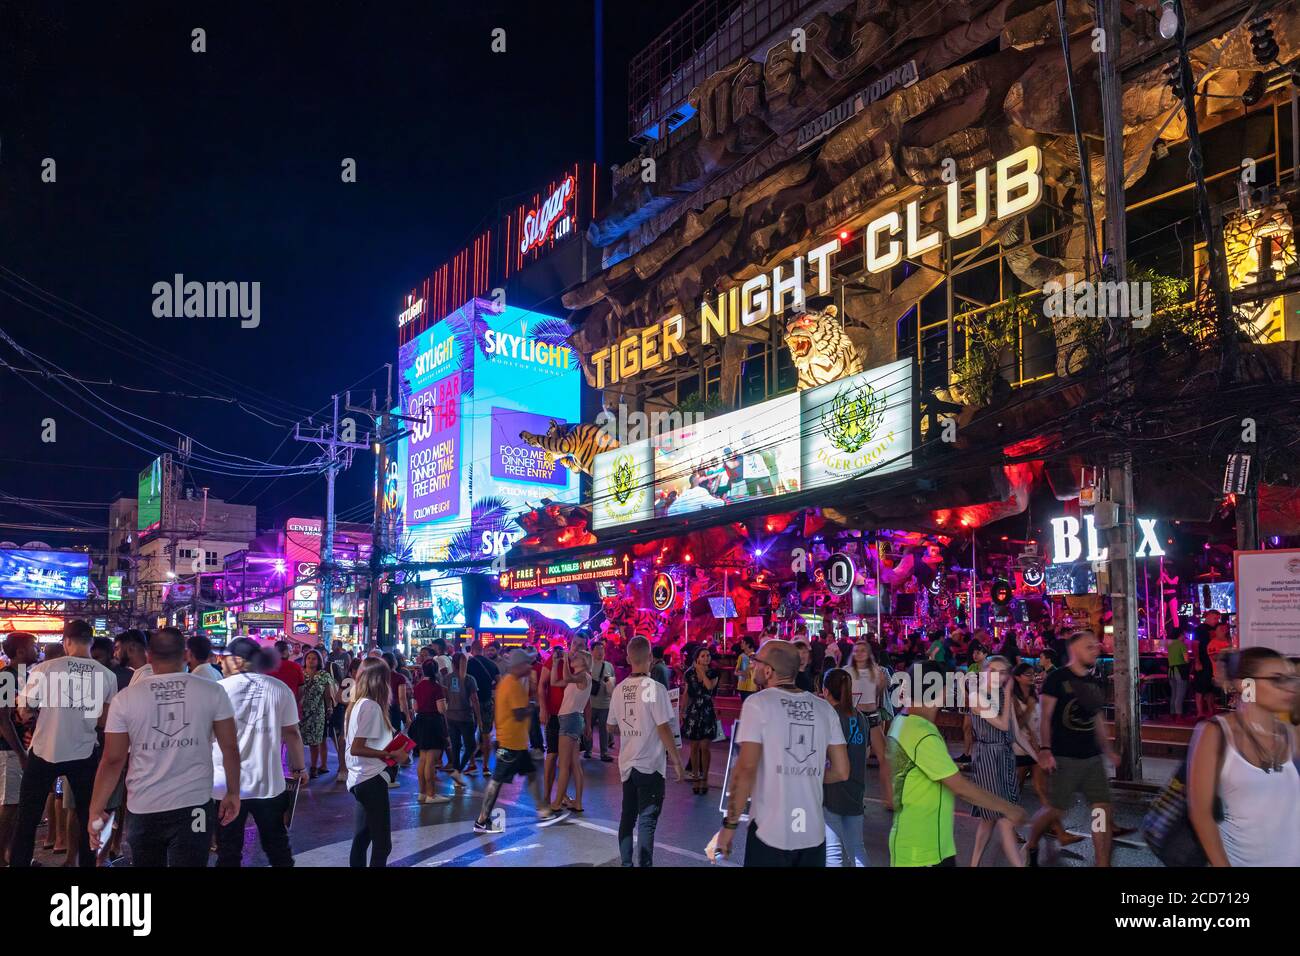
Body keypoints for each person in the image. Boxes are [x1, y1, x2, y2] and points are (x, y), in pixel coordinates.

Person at [87, 627, 240, 867]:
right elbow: (230, 747)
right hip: (194, 805)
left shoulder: (125, 699)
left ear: (149, 656)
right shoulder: (213, 692)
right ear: (185, 655)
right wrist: (233, 792)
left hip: (144, 806)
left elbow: (113, 760)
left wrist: (96, 808)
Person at [711, 640, 848, 866]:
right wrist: (804, 773)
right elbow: (842, 771)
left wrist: (729, 826)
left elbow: (745, 769)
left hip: (770, 832)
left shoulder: (758, 703)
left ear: (768, 670)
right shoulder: (825, 709)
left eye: (756, 660)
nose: (753, 664)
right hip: (812, 833)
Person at [886, 659, 1027, 866]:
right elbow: (960, 787)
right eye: (949, 686)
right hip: (922, 851)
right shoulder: (922, 734)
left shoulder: (903, 721)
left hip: (928, 844)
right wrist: (1008, 808)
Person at [9, 620, 119, 868]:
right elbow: (104, 719)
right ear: (91, 642)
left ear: (66, 641)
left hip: (44, 751)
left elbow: (24, 710)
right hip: (84, 753)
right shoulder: (107, 676)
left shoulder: (44, 669)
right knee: (87, 818)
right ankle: (87, 865)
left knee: (27, 819)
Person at [1187, 646, 1300, 866]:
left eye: (1291, 679)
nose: (1289, 688)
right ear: (1245, 684)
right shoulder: (1216, 733)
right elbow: (1201, 814)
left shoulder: (1291, 734)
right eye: (1277, 680)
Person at [1023, 630, 1117, 867]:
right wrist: (1045, 749)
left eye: (1096, 646)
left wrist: (1107, 750)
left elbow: (1096, 718)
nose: (1095, 650)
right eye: (1089, 647)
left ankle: (1102, 863)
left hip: (1092, 757)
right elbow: (1045, 717)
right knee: (1055, 810)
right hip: (1064, 758)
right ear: (1074, 650)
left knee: (1101, 810)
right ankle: (1032, 843)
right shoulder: (1057, 680)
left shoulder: (1093, 680)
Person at [213, 637, 305, 867]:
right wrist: (299, 768)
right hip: (268, 784)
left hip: (224, 785)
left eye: (224, 658)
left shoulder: (218, 690)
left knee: (228, 851)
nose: (221, 663)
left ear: (236, 660)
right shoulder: (279, 689)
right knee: (278, 848)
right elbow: (292, 733)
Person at [605, 637, 683, 866]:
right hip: (650, 765)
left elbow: (610, 726)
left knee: (627, 817)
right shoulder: (656, 689)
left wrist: (630, 728)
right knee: (647, 821)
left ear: (628, 658)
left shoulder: (619, 690)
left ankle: (626, 863)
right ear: (649, 657)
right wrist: (677, 762)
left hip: (627, 765)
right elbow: (663, 727)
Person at [473, 650, 570, 832]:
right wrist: (533, 708)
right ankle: (482, 820)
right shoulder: (513, 685)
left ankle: (543, 810)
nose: (530, 666)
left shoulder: (509, 682)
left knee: (530, 774)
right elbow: (518, 713)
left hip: (514, 741)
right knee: (497, 781)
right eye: (527, 664)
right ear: (518, 666)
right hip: (510, 743)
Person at [345, 657, 410, 866]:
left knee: (362, 839)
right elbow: (357, 747)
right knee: (382, 844)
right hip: (370, 779)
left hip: (360, 779)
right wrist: (391, 755)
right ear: (380, 680)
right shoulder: (371, 707)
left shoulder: (358, 704)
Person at [1009, 662, 1081, 849]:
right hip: (1019, 748)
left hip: (1037, 748)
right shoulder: (1012, 698)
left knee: (1042, 790)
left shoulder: (1035, 695)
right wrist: (1031, 707)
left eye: (1033, 674)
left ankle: (1058, 831)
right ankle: (1009, 828)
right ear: (1017, 677)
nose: (1032, 677)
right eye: (1027, 675)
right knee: (1015, 790)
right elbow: (1019, 723)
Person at [967, 656, 1024, 867]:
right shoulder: (977, 696)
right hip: (987, 757)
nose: (997, 676)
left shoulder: (1002, 694)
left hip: (1005, 756)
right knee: (1003, 818)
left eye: (1002, 672)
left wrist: (1040, 756)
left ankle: (974, 864)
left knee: (989, 819)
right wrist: (1009, 695)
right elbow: (1001, 725)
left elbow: (1015, 732)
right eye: (993, 670)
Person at [821, 669, 869, 866]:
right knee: (857, 846)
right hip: (856, 788)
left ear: (825, 691)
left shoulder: (829, 718)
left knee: (832, 850)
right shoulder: (861, 718)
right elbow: (866, 752)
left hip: (833, 788)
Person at [0, 632, 38, 864]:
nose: (38, 650)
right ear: (21, 652)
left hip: (22, 748)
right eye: (34, 646)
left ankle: (10, 854)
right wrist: (20, 753)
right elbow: (3, 719)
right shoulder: (7, 677)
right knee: (10, 805)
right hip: (9, 750)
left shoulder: (24, 676)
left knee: (17, 805)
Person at [845, 639, 893, 809]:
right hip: (856, 718)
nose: (859, 653)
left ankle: (890, 798)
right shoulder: (847, 672)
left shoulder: (877, 671)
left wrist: (880, 684)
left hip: (872, 716)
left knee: (885, 757)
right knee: (857, 761)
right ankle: (855, 798)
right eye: (856, 650)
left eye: (862, 650)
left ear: (868, 653)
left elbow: (879, 694)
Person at [551, 648, 592, 812]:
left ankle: (557, 802)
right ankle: (577, 802)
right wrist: (555, 664)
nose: (573, 657)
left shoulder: (583, 676)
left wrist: (566, 659)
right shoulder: (580, 678)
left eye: (577, 656)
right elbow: (555, 682)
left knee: (563, 764)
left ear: (584, 662)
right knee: (575, 763)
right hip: (574, 719)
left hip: (569, 720)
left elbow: (566, 677)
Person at [411, 661, 451, 804]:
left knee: (422, 759)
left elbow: (415, 708)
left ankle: (422, 793)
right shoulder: (437, 687)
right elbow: (441, 709)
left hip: (420, 722)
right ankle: (431, 794)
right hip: (433, 722)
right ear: (436, 671)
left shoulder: (418, 686)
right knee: (431, 761)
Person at [681, 647, 719, 795]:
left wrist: (702, 671)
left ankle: (705, 778)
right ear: (697, 658)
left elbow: (709, 687)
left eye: (708, 655)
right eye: (703, 656)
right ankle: (695, 776)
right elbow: (686, 693)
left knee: (705, 747)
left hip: (707, 710)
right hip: (694, 711)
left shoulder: (713, 673)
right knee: (694, 747)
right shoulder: (689, 674)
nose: (706, 658)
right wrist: (682, 710)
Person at [441, 653, 480, 785]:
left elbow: (446, 697)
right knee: (471, 746)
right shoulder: (470, 679)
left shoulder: (447, 678)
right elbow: (475, 700)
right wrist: (479, 718)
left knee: (456, 746)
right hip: (466, 716)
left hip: (451, 715)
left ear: (453, 664)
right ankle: (458, 770)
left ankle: (457, 773)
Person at [299, 649, 337, 777]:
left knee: (315, 742)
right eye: (308, 658)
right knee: (298, 740)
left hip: (317, 712)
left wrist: (330, 708)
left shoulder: (324, 675)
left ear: (319, 660)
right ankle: (299, 767)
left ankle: (314, 767)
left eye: (314, 658)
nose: (311, 661)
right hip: (300, 711)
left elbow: (328, 695)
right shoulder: (300, 673)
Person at [538, 646, 568, 806]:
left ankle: (562, 794)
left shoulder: (581, 662)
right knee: (552, 754)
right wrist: (543, 708)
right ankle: (547, 795)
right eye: (576, 643)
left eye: (581, 644)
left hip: (571, 716)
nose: (578, 646)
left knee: (568, 759)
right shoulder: (555, 659)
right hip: (555, 714)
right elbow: (542, 685)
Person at [466, 641, 498, 774]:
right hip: (487, 701)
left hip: (471, 703)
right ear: (483, 650)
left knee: (469, 734)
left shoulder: (468, 664)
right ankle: (486, 767)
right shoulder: (492, 664)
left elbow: (464, 682)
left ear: (472, 650)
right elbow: (499, 681)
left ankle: (472, 764)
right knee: (486, 734)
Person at [584, 640, 615, 762]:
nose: (600, 652)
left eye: (602, 649)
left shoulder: (609, 666)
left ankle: (604, 753)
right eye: (597, 649)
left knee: (604, 729)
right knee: (588, 727)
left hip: (605, 703)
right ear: (591, 651)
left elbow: (612, 682)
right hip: (590, 703)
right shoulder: (588, 665)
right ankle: (588, 750)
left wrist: (609, 685)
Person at [1193, 611, 1220, 720]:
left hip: (1213, 663)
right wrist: (1197, 661)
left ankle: (1211, 710)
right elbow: (1195, 645)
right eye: (1215, 618)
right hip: (1203, 662)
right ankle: (1199, 712)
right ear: (1207, 617)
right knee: (1200, 687)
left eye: (1217, 618)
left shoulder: (1217, 628)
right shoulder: (1200, 629)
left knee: (1211, 688)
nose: (1216, 621)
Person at [1167, 631, 1189, 721]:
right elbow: (1186, 660)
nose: (1185, 637)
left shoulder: (1170, 645)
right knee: (1180, 694)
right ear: (1181, 635)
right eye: (1184, 635)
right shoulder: (1182, 645)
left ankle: (1172, 714)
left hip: (1170, 671)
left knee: (1174, 693)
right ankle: (1179, 715)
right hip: (1180, 671)